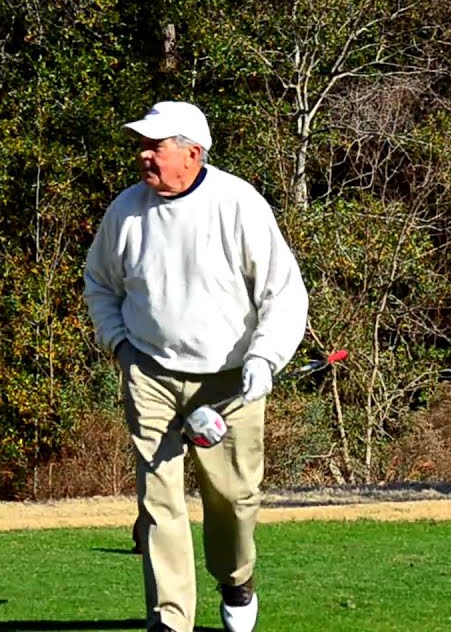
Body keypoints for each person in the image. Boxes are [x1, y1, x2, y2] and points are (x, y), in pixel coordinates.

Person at [84, 101, 309, 632]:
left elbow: (283, 293)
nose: (144, 155)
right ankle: (170, 620)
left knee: (233, 498)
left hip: (231, 379)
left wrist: (266, 357)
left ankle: (236, 580)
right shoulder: (126, 211)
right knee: (158, 499)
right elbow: (100, 285)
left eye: (155, 146)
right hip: (150, 372)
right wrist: (120, 348)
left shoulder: (238, 204)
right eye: (142, 145)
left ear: (193, 152)